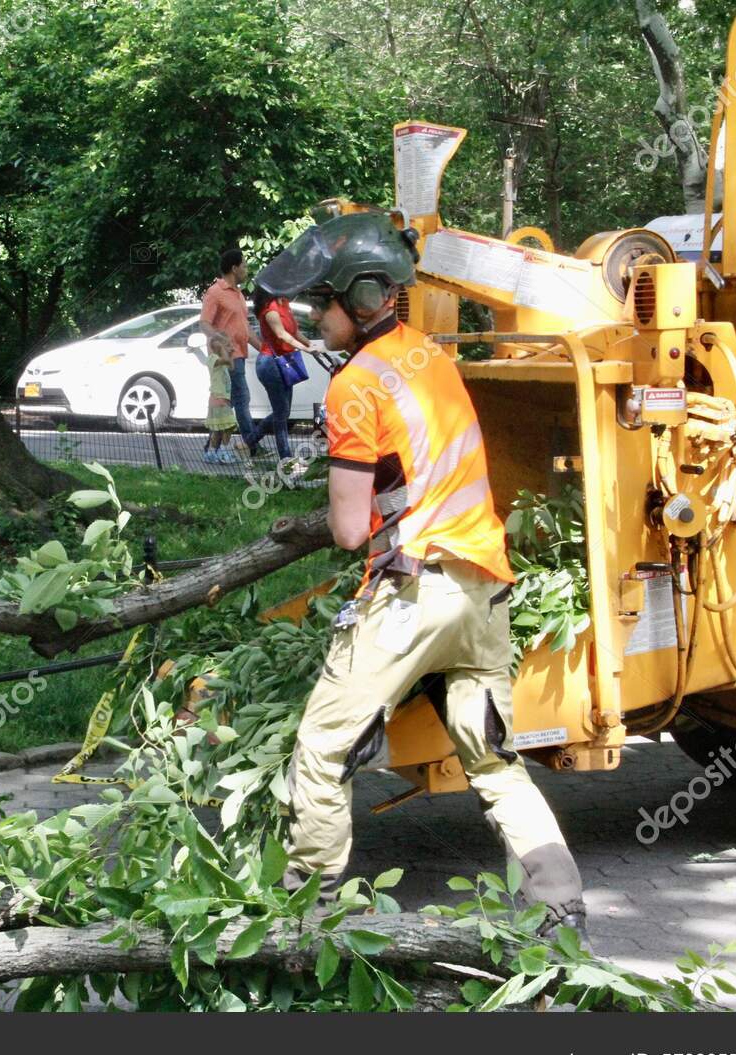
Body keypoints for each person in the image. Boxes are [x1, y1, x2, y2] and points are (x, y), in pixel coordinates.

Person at [255, 213, 587, 936]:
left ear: (365, 296)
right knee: (493, 760)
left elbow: (348, 530)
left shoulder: (354, 388)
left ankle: (299, 916)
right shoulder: (429, 358)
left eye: (323, 302)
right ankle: (560, 905)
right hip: (484, 590)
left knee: (321, 749)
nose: (313, 316)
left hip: (411, 596)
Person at [199, 247, 253, 464]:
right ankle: (251, 444)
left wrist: (266, 347)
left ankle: (215, 449)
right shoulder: (215, 292)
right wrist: (220, 341)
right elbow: (204, 323)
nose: (247, 269)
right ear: (234, 268)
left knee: (234, 404)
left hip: (239, 355)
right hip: (225, 359)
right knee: (239, 402)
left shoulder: (239, 294)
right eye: (245, 265)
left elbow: (245, 330)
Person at [251, 286, 316, 460]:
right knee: (281, 413)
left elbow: (294, 331)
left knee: (283, 412)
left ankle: (250, 439)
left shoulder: (285, 304)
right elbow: (281, 334)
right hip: (270, 364)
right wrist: (305, 348)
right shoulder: (270, 309)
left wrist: (312, 345)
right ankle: (285, 458)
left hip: (285, 361)